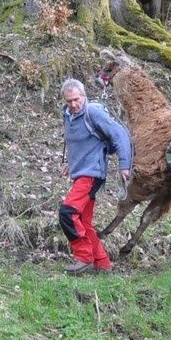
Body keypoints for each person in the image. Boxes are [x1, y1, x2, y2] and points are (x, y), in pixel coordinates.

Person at [59, 78, 132, 274]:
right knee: (83, 221)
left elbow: (121, 135)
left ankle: (84, 257)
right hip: (80, 172)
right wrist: (68, 163)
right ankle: (102, 263)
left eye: (76, 99)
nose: (73, 104)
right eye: (69, 101)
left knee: (67, 212)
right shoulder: (68, 115)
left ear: (84, 96)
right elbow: (74, 141)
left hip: (92, 173)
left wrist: (125, 165)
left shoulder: (93, 112)